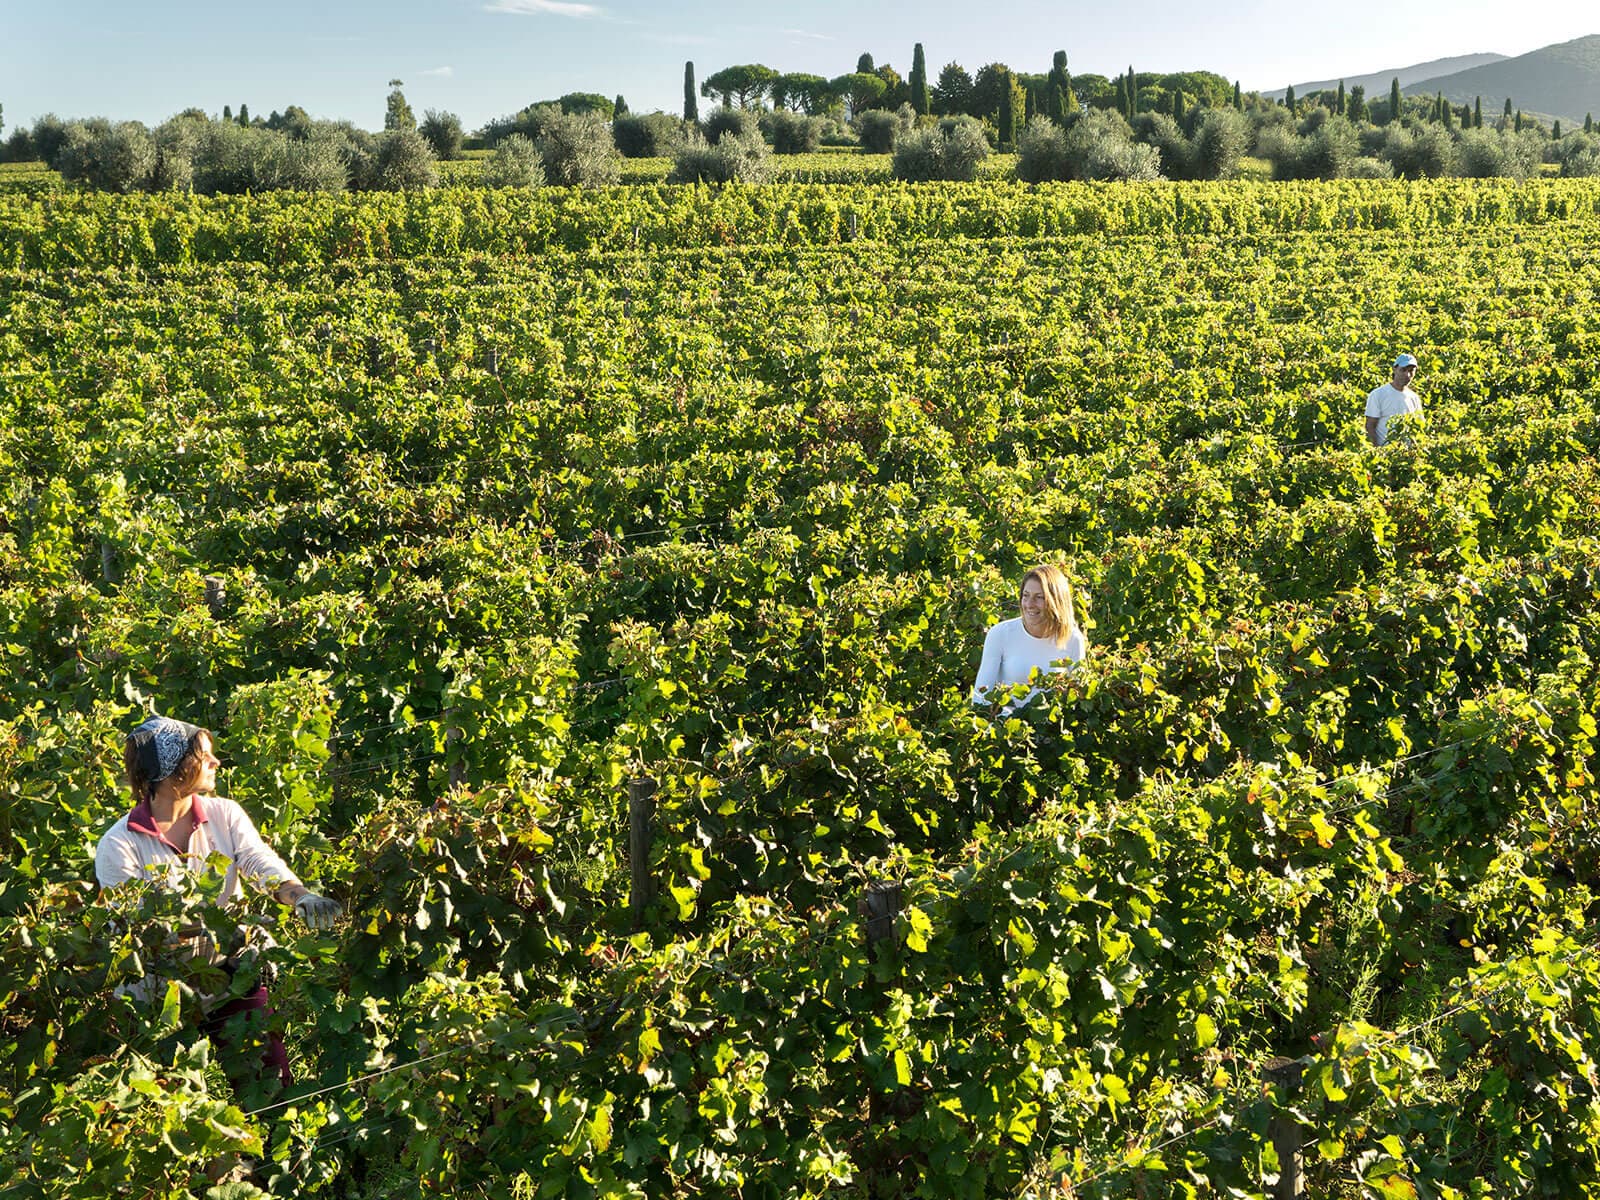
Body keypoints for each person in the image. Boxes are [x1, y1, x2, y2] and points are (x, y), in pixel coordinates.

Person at [96, 713, 341, 1091]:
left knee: (270, 1084)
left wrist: (300, 895)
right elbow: (139, 930)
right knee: (171, 1106)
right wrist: (221, 928)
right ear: (174, 770)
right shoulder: (119, 845)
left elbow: (258, 861)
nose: (216, 763)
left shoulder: (223, 814)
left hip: (233, 978)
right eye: (205, 756)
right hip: (161, 999)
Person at [971, 564, 1087, 712]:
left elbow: (1078, 696)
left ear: (1056, 601)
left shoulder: (1072, 639)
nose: (1029, 604)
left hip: (1051, 731)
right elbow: (981, 696)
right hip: (1005, 730)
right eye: (1026, 596)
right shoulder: (1001, 633)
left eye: (1039, 597)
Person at [1365, 352, 1422, 447]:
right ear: (1394, 369)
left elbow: (1419, 427)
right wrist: (1377, 451)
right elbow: (1370, 426)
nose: (1407, 375)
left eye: (1411, 371)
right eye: (1403, 370)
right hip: (1385, 454)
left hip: (1406, 456)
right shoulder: (1378, 394)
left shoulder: (1414, 398)